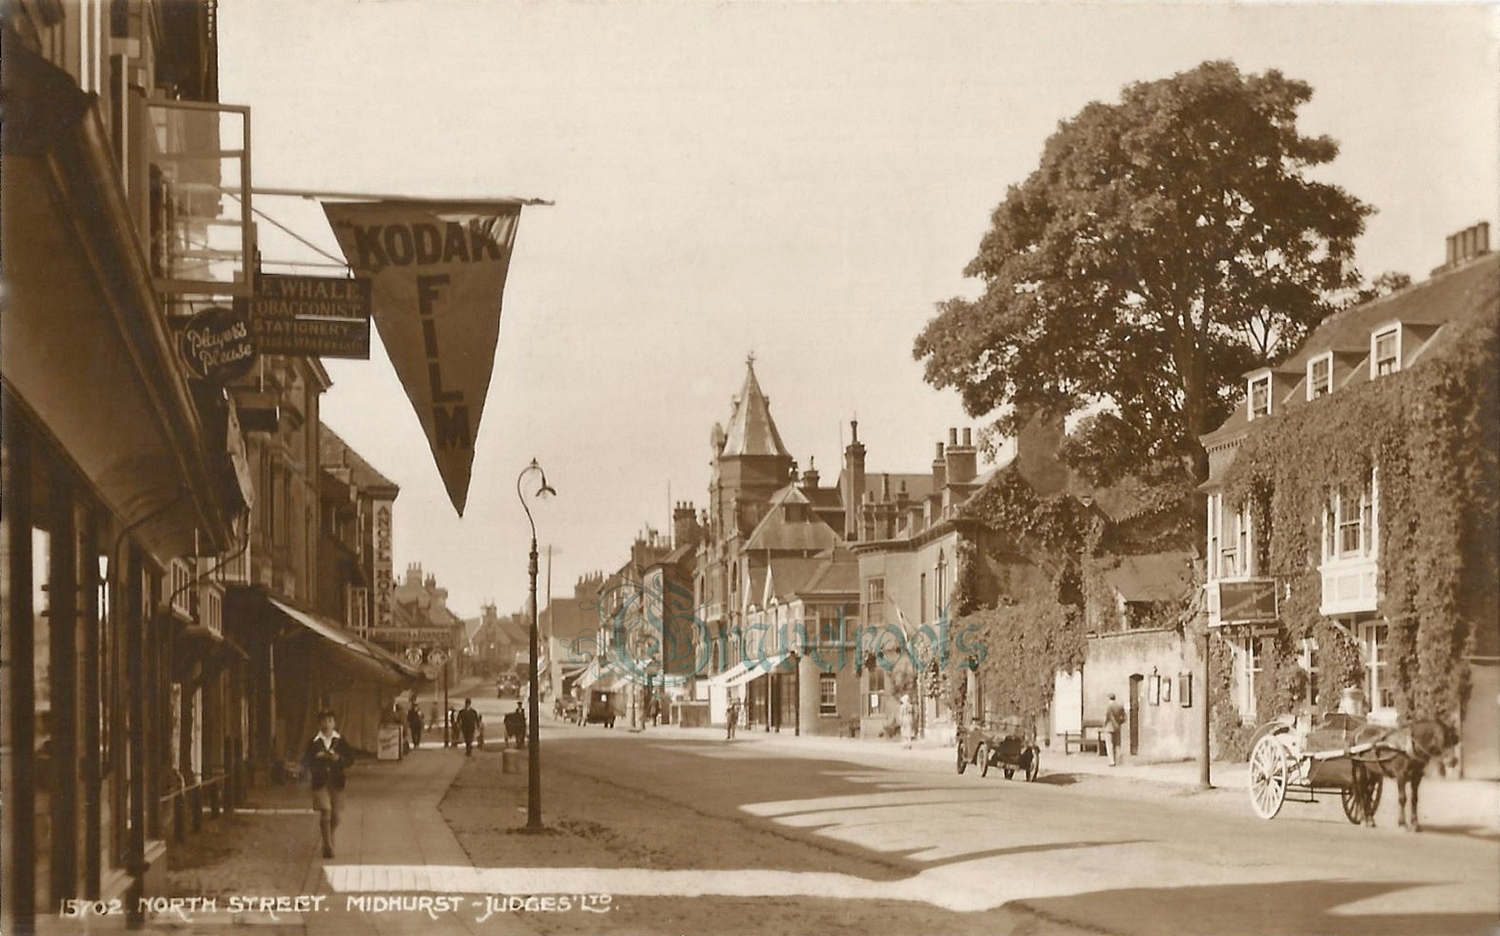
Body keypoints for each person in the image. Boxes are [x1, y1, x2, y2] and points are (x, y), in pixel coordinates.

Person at [301, 709, 354, 859]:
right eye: (323, 721)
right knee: (326, 810)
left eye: (330, 721)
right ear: (319, 724)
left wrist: (338, 759)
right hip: (320, 782)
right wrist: (317, 758)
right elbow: (305, 761)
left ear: (334, 723)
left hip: (337, 782)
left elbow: (351, 759)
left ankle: (328, 837)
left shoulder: (340, 740)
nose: (326, 724)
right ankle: (327, 846)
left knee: (336, 817)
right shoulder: (314, 742)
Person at [1103, 693, 1127, 766]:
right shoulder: (1119, 706)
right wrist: (1120, 723)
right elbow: (1124, 717)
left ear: (1109, 698)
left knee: (1109, 745)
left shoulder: (1108, 706)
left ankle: (1112, 761)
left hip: (1109, 727)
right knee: (1117, 744)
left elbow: (1106, 716)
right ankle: (1119, 761)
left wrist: (1104, 724)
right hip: (1117, 727)